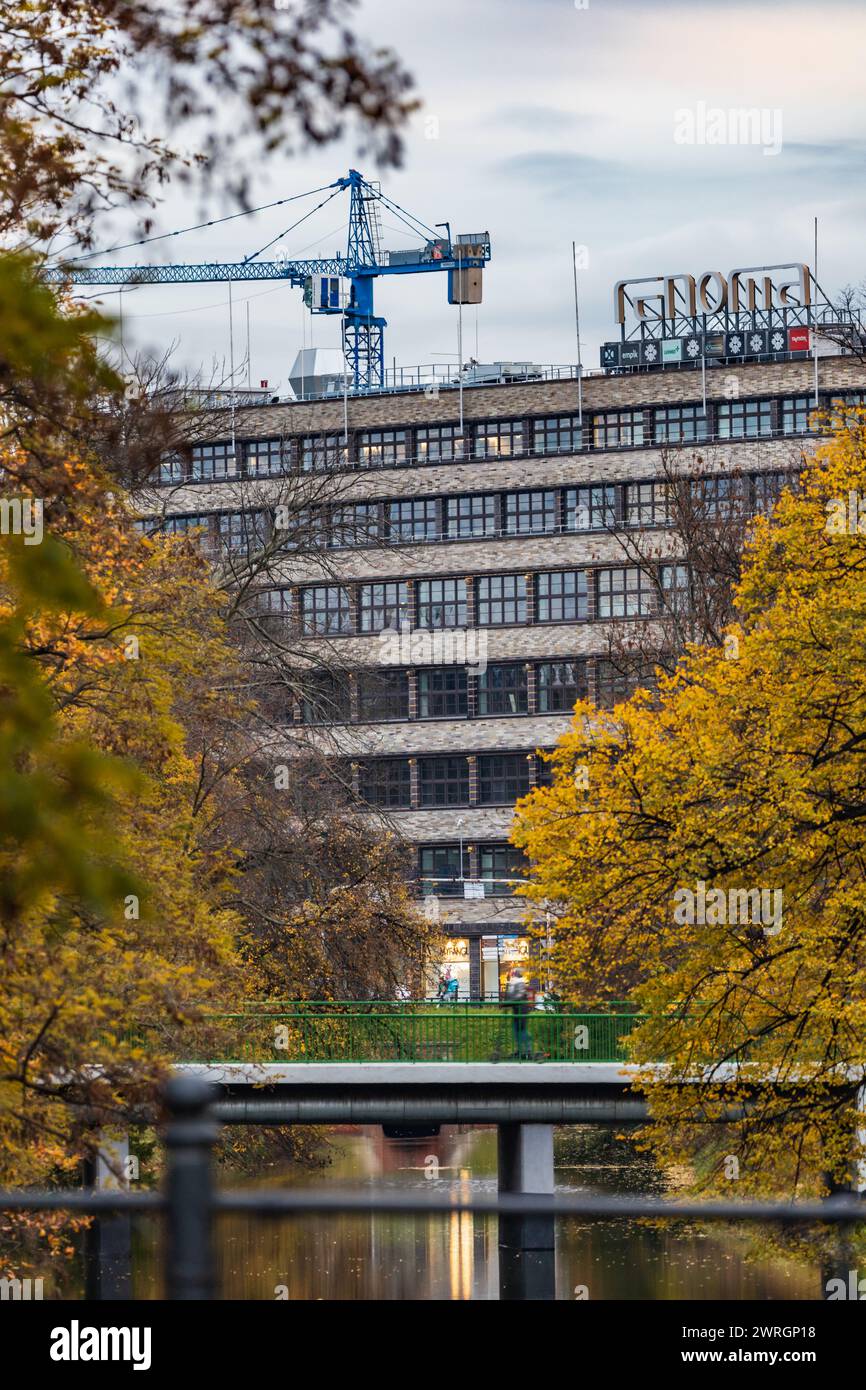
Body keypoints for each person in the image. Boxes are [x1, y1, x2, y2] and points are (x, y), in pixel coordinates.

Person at [504, 968, 531, 1058]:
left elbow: (519, 996)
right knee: (516, 1030)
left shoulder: (519, 982)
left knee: (521, 1030)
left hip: (521, 1010)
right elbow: (510, 995)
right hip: (517, 1009)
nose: (511, 974)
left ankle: (528, 1051)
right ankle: (520, 1050)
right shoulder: (513, 982)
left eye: (512, 973)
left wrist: (508, 1003)